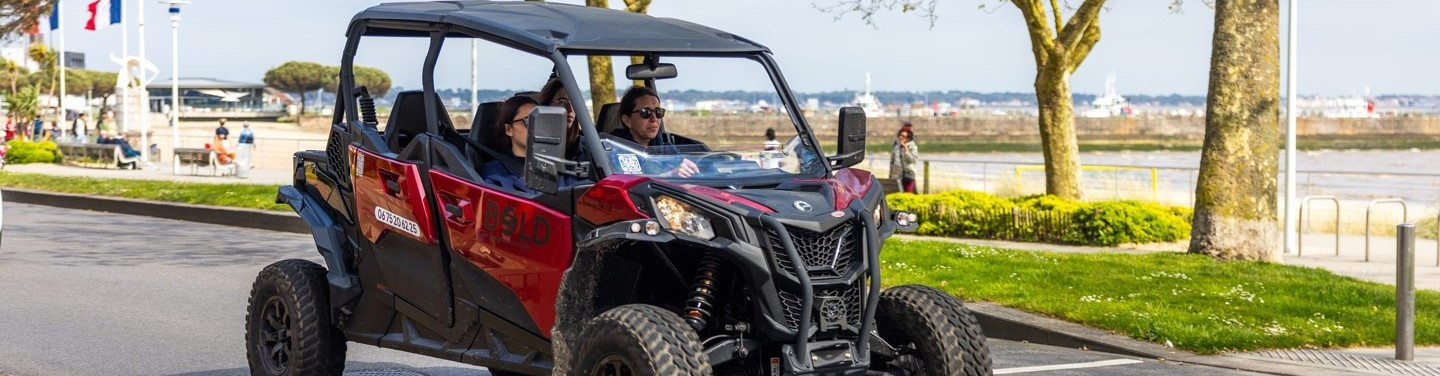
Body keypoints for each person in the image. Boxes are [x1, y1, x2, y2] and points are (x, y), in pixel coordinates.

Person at [609, 86, 699, 177]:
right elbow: (632, 184)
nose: (654, 118)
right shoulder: (617, 151)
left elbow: (688, 165)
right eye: (645, 112)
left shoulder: (664, 148)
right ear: (627, 120)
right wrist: (670, 175)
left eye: (658, 112)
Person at [481, 96, 540, 192]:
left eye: (541, 120)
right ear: (509, 129)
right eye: (528, 121)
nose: (537, 127)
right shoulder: (495, 173)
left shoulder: (557, 166)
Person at [536, 78, 585, 160]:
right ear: (546, 106)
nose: (570, 110)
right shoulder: (535, 147)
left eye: (574, 102)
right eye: (562, 102)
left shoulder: (588, 148)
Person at [890, 128, 919, 193]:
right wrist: (890, 175)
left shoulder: (912, 147)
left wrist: (906, 150)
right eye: (900, 135)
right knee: (897, 194)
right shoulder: (896, 147)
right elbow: (892, 162)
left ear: (908, 138)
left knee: (908, 194)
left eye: (903, 136)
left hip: (908, 175)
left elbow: (913, 160)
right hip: (897, 176)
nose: (900, 137)